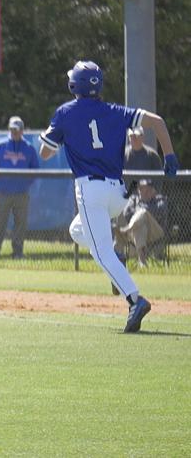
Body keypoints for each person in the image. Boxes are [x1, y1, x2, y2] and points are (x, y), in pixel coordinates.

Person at [39, 60, 180, 333]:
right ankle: (117, 255)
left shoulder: (65, 113)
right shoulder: (115, 111)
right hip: (118, 194)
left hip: (90, 191)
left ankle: (135, 299)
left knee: (101, 251)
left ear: (73, 85)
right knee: (77, 230)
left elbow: (46, 153)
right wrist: (170, 154)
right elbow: (157, 122)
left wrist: (49, 139)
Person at [0, 116, 39, 258]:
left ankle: (17, 252)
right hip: (3, 193)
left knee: (20, 225)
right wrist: (1, 183)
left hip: (22, 194)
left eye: (16, 130)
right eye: (12, 130)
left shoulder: (29, 148)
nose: (14, 132)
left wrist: (25, 184)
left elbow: (35, 169)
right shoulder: (0, 146)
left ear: (22, 131)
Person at [116, 179, 168, 267]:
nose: (144, 192)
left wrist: (142, 209)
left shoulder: (160, 199)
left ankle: (127, 228)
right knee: (141, 227)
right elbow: (126, 213)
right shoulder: (133, 199)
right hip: (137, 231)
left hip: (155, 232)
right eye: (141, 190)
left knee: (143, 212)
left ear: (153, 191)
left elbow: (160, 211)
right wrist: (140, 214)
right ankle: (142, 262)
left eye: (147, 190)